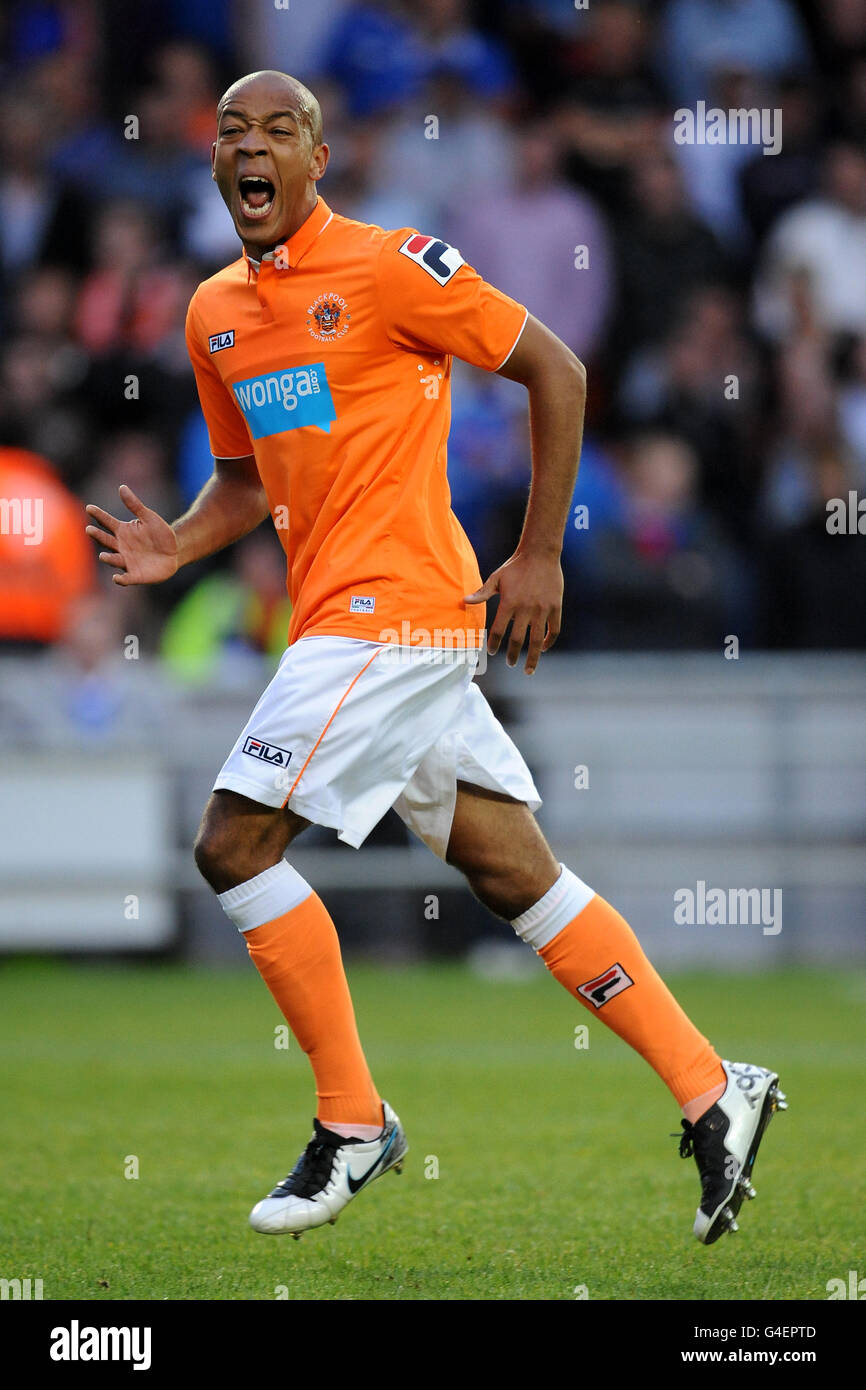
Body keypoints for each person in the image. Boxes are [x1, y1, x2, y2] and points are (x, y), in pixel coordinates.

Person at [85, 71, 786, 1246]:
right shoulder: (215, 311)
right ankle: (714, 1087)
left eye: (276, 130)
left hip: (398, 609)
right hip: (340, 621)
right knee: (514, 870)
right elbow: (251, 478)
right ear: (216, 165)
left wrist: (539, 555)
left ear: (316, 157)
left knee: (230, 840)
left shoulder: (394, 263)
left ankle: (351, 1120)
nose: (247, 148)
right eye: (228, 133)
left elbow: (552, 368)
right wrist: (181, 541)